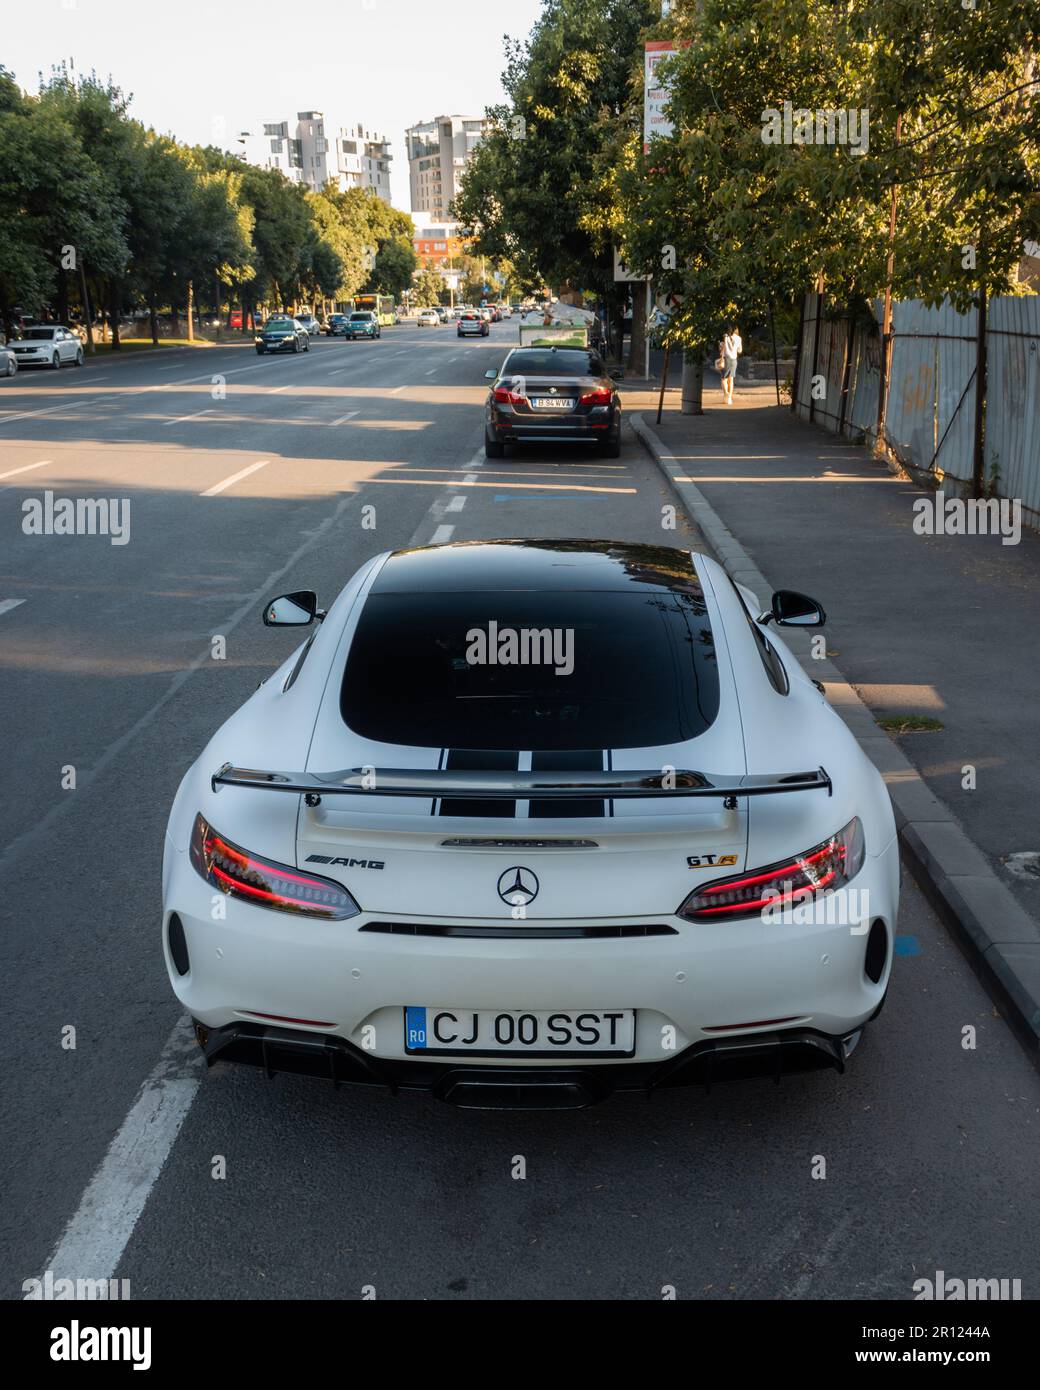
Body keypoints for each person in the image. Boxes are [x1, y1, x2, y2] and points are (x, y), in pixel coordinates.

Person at [719, 324, 743, 404]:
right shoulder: (739, 338)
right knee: (731, 379)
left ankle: (726, 393)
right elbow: (740, 350)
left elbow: (722, 348)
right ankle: (729, 398)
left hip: (726, 359)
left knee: (724, 379)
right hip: (734, 360)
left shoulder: (725, 336)